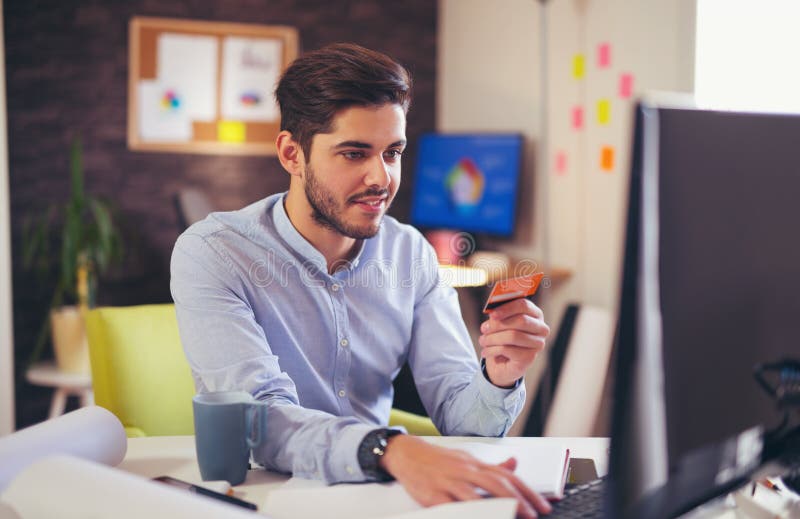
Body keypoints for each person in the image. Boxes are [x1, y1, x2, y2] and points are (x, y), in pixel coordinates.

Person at [171, 43, 552, 518]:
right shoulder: (214, 252)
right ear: (292, 153)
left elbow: (462, 418)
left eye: (393, 153)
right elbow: (258, 419)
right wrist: (388, 449)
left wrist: (499, 373)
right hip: (267, 500)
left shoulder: (411, 253)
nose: (381, 178)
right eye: (354, 154)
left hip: (379, 499)